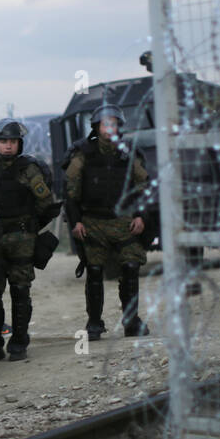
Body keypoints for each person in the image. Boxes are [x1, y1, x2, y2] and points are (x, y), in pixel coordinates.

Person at [0, 119, 59, 361]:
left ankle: (19, 341)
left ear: (19, 144)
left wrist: (30, 229)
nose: (8, 146)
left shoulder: (29, 169)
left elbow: (46, 204)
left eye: (12, 142)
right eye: (3, 142)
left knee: (20, 289)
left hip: (21, 237)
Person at [64, 104, 153, 339]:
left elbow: (145, 188)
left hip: (124, 221)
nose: (109, 128)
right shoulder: (83, 154)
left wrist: (141, 216)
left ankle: (131, 321)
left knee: (131, 268)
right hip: (93, 222)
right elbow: (71, 193)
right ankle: (94, 323)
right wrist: (76, 223)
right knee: (94, 271)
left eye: (113, 124)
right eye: (105, 124)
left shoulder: (129, 153)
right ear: (96, 127)